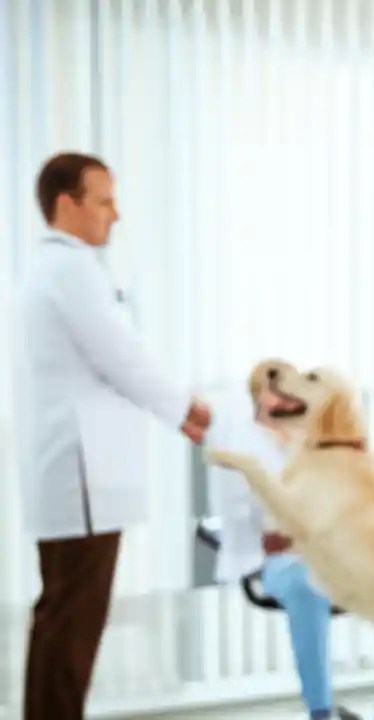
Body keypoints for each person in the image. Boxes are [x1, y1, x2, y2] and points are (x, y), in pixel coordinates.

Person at [12, 152, 211, 720]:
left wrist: (176, 408)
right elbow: (121, 356)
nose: (115, 214)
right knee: (71, 626)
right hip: (84, 480)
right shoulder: (72, 270)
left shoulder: (52, 268)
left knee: (59, 620)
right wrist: (184, 408)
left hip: (73, 473)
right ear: (66, 204)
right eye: (104, 201)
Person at [205, 359, 374, 720]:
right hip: (284, 557)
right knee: (305, 584)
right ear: (258, 396)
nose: (283, 394)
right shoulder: (241, 447)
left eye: (288, 386)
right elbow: (242, 521)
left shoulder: (318, 436)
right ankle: (320, 710)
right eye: (273, 388)